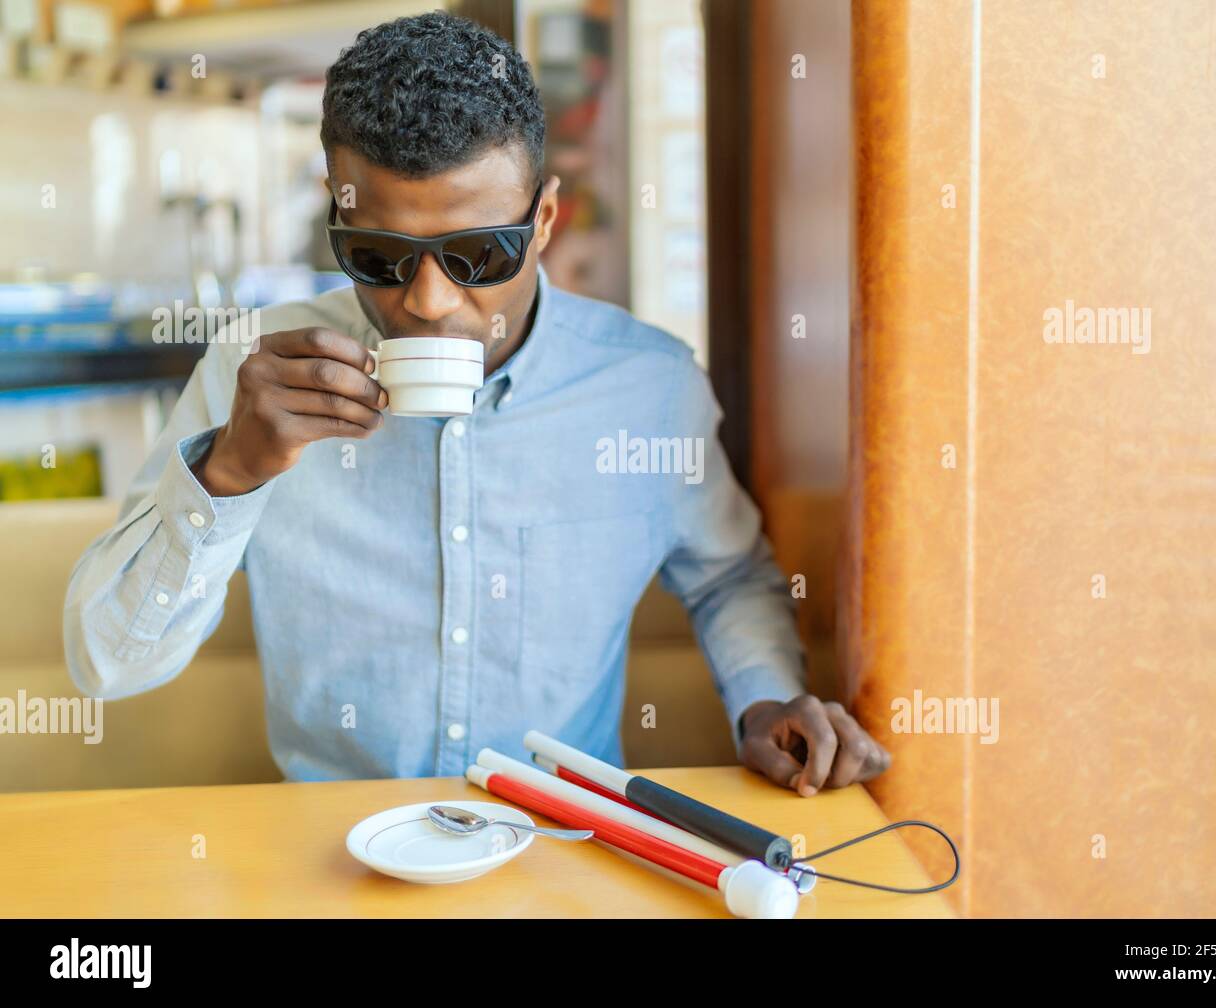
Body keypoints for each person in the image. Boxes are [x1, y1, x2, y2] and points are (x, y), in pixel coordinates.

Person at [64, 11, 890, 795]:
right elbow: (106, 663)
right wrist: (231, 471)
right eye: (379, 256)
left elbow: (726, 575)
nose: (426, 302)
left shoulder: (646, 389)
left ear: (544, 222)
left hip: (565, 838)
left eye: (477, 254)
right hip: (332, 844)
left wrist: (765, 698)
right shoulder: (253, 375)